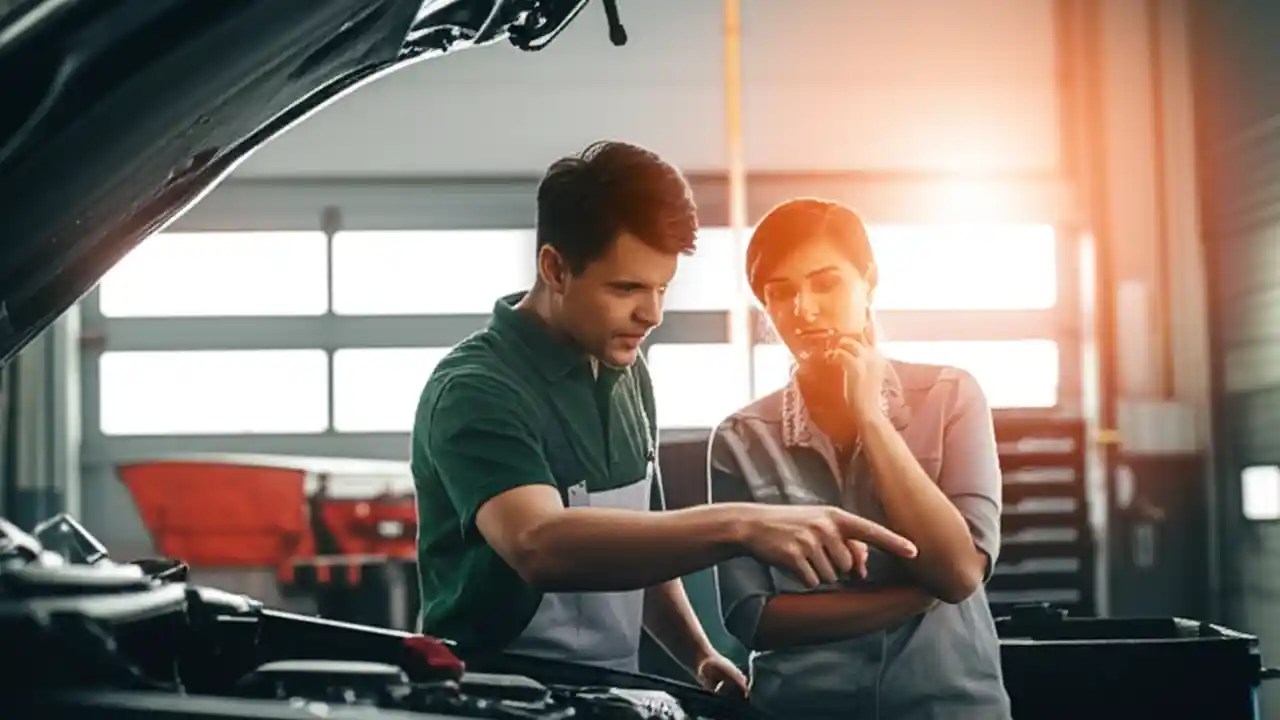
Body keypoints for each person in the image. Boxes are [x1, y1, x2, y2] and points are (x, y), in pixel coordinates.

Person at [410, 143, 918, 695]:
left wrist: (697, 657)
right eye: (626, 288)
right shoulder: (476, 389)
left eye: (662, 288)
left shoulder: (626, 370)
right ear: (555, 268)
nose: (651, 314)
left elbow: (641, 542)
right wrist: (741, 525)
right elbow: (540, 543)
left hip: (608, 694)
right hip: (493, 700)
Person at [707, 198, 1012, 719]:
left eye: (826, 283)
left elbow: (961, 571)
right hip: (802, 708)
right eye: (780, 294)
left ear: (868, 281)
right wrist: (916, 597)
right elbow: (753, 618)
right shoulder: (741, 438)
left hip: (947, 707)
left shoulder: (951, 396)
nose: (803, 310)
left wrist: (871, 416)